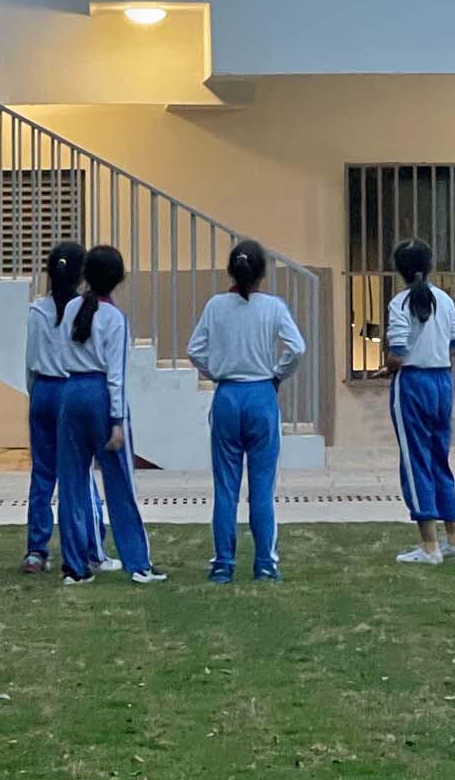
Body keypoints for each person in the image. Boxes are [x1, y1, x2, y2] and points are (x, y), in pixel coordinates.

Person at [187, 239, 305, 584]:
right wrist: (278, 374)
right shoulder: (273, 307)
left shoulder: (216, 306)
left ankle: (223, 563)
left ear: (231, 271)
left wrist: (216, 371)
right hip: (261, 393)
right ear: (262, 274)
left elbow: (194, 349)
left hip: (227, 394)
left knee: (225, 486)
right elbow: (297, 348)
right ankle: (265, 563)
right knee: (262, 486)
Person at [58, 245, 166, 584]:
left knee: (72, 483)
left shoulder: (71, 308)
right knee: (120, 482)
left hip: (71, 392)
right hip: (101, 396)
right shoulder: (115, 319)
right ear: (118, 279)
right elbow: (116, 374)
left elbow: (62, 352)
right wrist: (117, 421)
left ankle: (75, 567)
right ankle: (138, 563)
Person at [23, 242, 119, 578]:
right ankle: (91, 548)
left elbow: (30, 361)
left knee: (42, 473)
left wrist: (35, 394)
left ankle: (36, 550)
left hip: (42, 390)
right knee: (78, 475)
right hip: (69, 388)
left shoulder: (38, 311)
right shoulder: (84, 308)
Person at [385, 238, 455, 566]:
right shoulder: (445, 300)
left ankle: (429, 545)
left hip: (412, 383)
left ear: (400, 270)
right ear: (430, 265)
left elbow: (397, 354)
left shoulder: (400, 303)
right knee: (438, 458)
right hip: (442, 382)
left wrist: (389, 368)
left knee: (415, 460)